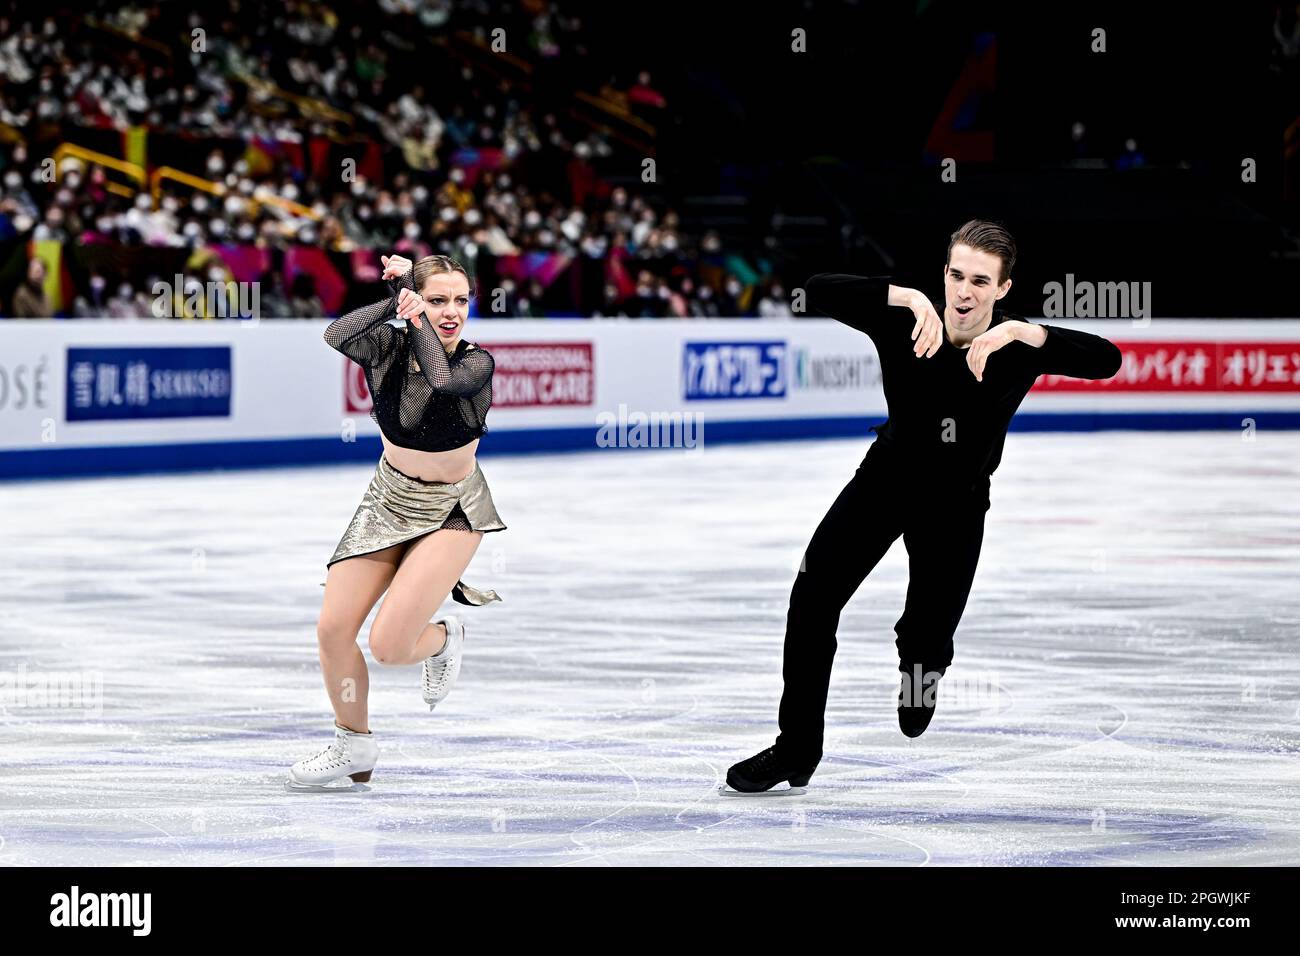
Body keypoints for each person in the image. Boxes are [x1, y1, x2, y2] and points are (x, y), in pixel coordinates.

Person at [726, 220, 1123, 793]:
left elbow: (1106, 360)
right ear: (943, 274)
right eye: (955, 275)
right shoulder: (906, 318)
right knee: (812, 598)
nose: (964, 293)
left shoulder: (1015, 348)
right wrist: (904, 294)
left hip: (957, 506)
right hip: (885, 481)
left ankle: (924, 666)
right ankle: (797, 747)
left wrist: (1027, 334)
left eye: (980, 282)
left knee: (924, 638)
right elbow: (814, 287)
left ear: (1003, 289)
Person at [288, 253, 506, 790]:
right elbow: (336, 335)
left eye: (460, 300)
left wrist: (415, 314)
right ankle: (352, 740)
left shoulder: (477, 364)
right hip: (387, 499)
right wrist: (395, 300)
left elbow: (440, 378)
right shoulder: (388, 348)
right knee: (333, 628)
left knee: (388, 647)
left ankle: (442, 637)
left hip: (452, 510)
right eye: (437, 300)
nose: (451, 311)